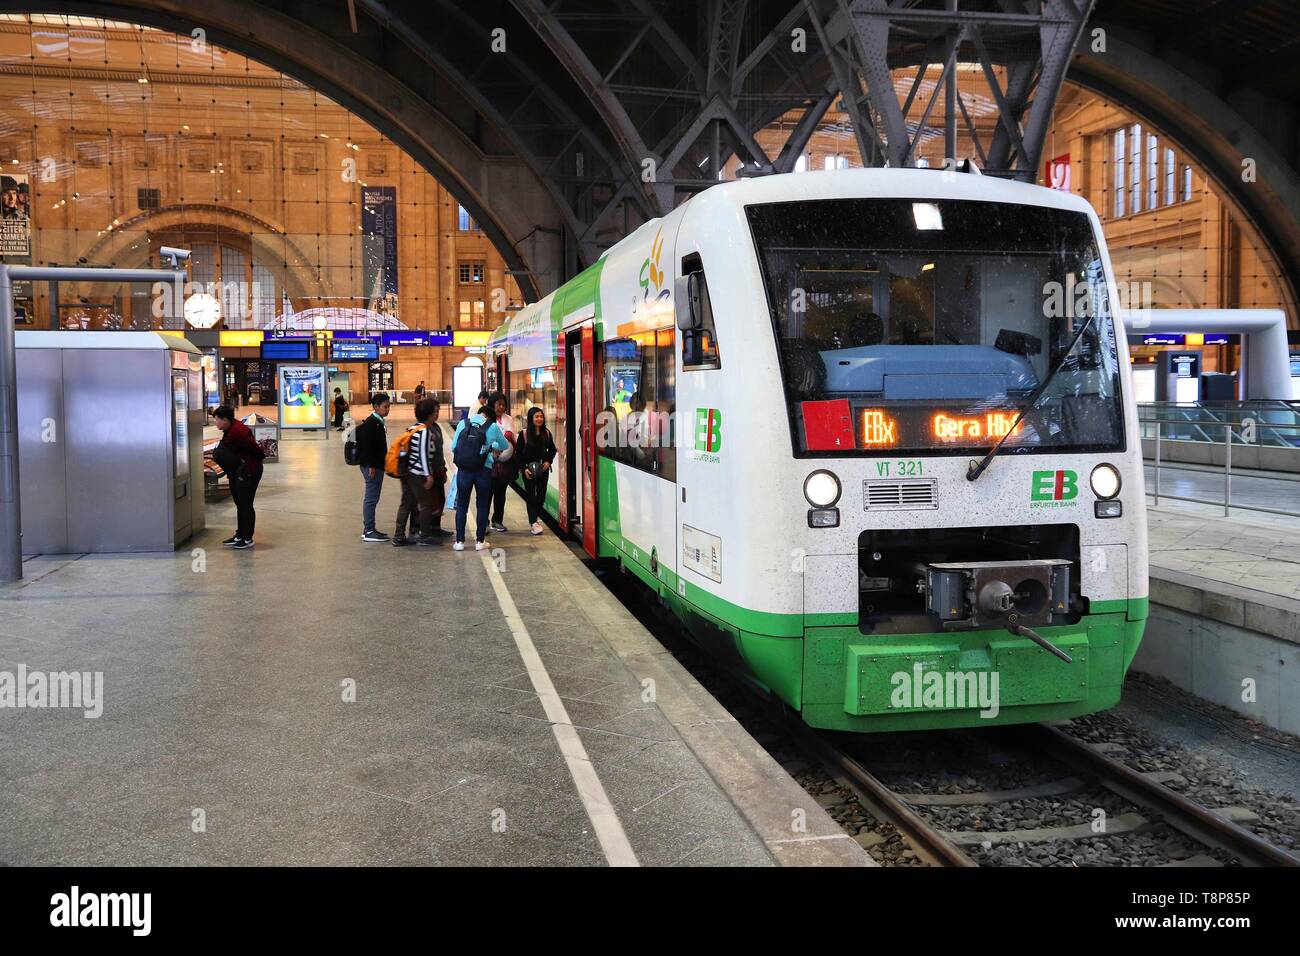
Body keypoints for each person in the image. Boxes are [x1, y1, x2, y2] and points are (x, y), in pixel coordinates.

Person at [450, 399, 509, 551]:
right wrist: (491, 446)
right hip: (484, 470)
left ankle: (459, 542)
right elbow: (505, 445)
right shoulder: (493, 426)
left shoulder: (463, 424)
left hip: (464, 471)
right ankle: (480, 541)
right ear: (490, 417)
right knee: (482, 505)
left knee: (462, 505)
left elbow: (453, 446)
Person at [212, 406, 265, 549]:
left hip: (249, 471)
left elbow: (257, 451)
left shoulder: (238, 432)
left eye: (217, 419)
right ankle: (240, 534)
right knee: (240, 504)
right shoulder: (230, 429)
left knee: (245, 504)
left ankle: (247, 538)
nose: (215, 422)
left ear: (225, 420)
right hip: (239, 472)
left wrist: (245, 464)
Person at [393, 398, 442, 547]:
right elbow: (422, 455)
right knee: (425, 504)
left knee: (406, 504)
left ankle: (399, 536)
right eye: (435, 412)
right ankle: (425, 536)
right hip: (417, 474)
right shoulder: (424, 431)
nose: (436, 414)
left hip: (406, 472)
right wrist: (428, 475)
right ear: (429, 414)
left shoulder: (412, 428)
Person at [355, 392, 392, 542]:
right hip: (373, 467)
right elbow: (368, 447)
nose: (388, 409)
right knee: (371, 498)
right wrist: (371, 465)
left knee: (372, 498)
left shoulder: (378, 422)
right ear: (376, 407)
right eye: (385, 407)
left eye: (389, 406)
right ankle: (369, 530)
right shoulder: (372, 424)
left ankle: (370, 528)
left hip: (376, 465)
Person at [516, 407, 557, 535]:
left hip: (542, 470)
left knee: (541, 496)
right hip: (529, 470)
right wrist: (524, 468)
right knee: (531, 496)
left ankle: (535, 518)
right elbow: (518, 454)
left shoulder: (547, 433)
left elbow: (552, 450)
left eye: (541, 416)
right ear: (531, 419)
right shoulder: (524, 434)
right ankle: (533, 522)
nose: (539, 419)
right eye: (536, 417)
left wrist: (548, 461)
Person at [488, 392, 517, 533]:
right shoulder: (486, 419)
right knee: (487, 493)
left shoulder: (509, 419)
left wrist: (510, 435)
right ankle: (484, 522)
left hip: (505, 464)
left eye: (503, 404)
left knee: (501, 493)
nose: (501, 407)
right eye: (498, 404)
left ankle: (497, 520)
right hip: (489, 464)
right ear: (492, 405)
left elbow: (514, 436)